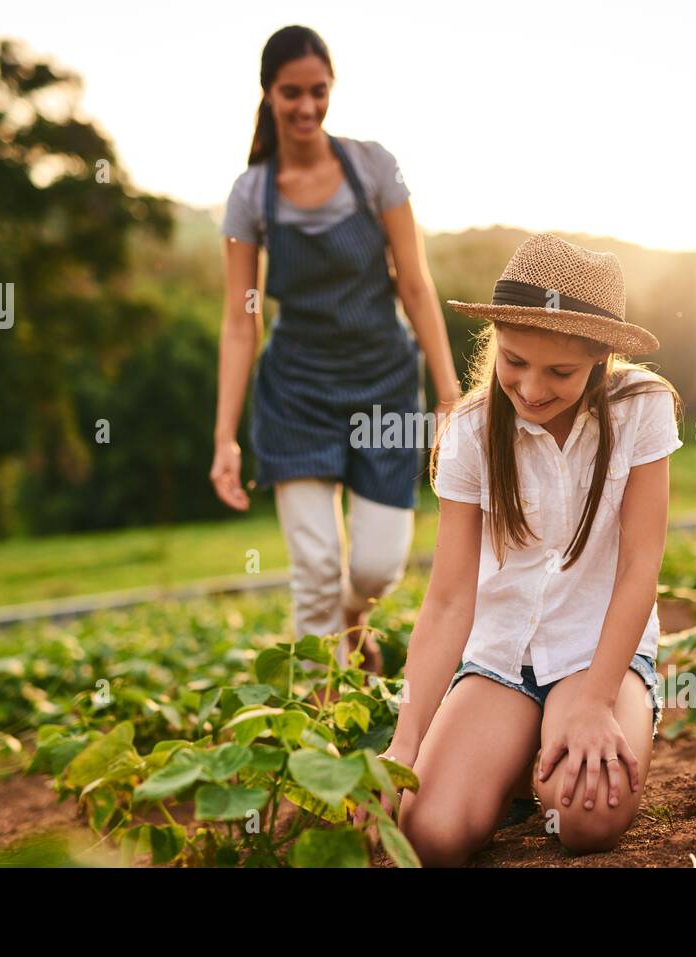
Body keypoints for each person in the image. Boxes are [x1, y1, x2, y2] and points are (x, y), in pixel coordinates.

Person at [362, 233, 684, 866]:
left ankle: (589, 726)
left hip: (596, 655)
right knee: (430, 838)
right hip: (503, 659)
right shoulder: (471, 432)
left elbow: (640, 567)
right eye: (514, 362)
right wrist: (406, 741)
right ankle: (514, 765)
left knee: (586, 816)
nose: (531, 389)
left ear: (600, 357)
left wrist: (593, 700)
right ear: (495, 345)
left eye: (559, 371)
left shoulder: (641, 407)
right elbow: (451, 599)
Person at [213, 26, 461, 675]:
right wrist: (224, 438)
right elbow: (241, 320)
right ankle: (323, 728)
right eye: (290, 93)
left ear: (331, 90)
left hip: (383, 385)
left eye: (317, 91)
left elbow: (414, 282)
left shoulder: (373, 167)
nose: (305, 107)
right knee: (316, 569)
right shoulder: (251, 195)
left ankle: (356, 620)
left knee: (377, 567)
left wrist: (448, 393)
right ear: (268, 94)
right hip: (295, 396)